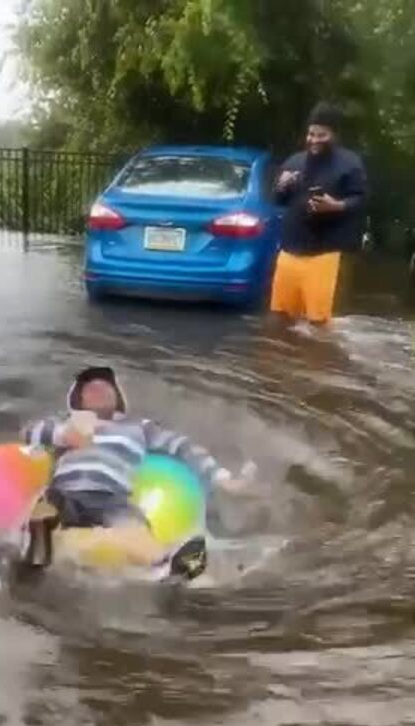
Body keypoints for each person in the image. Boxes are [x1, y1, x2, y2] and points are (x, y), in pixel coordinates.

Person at [19, 365, 256, 579]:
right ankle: (38, 537)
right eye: (90, 389)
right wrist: (63, 434)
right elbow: (30, 432)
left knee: (136, 531)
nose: (99, 390)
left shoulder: (138, 428)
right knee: (47, 504)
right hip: (66, 492)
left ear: (118, 398)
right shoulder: (67, 423)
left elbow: (182, 447)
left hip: (111, 498)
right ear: (77, 400)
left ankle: (163, 567)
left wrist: (222, 477)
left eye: (106, 387)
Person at [270, 102, 368, 327]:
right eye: (311, 134)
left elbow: (361, 200)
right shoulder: (294, 161)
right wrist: (281, 187)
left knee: (319, 325)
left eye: (321, 135)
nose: (314, 140)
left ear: (334, 135)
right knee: (279, 320)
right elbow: (277, 200)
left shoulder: (350, 164)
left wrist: (337, 206)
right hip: (289, 252)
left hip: (325, 255)